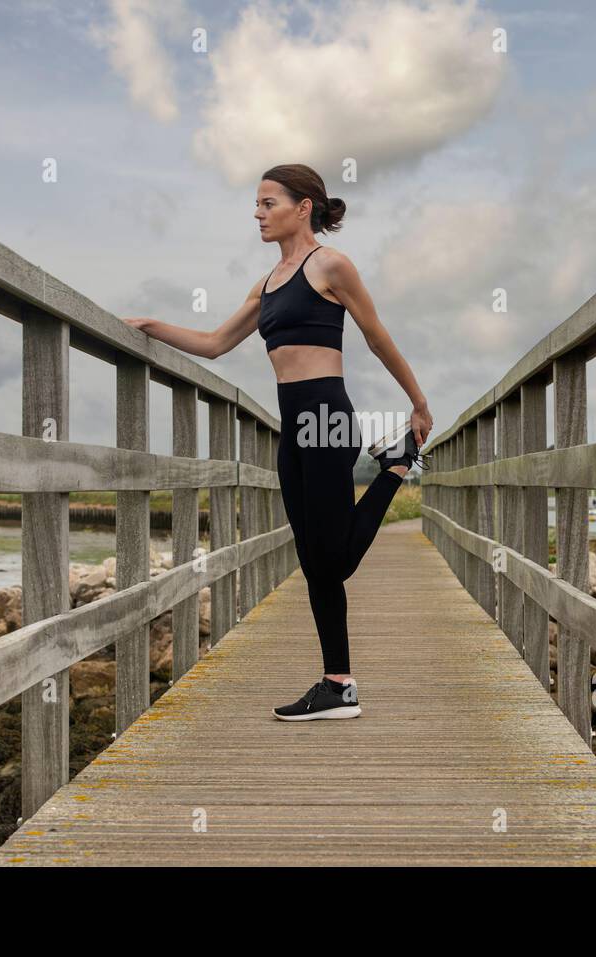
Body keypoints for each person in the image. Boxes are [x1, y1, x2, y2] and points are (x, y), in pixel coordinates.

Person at [122, 163, 432, 721]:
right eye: (257, 205)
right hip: (294, 426)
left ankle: (394, 469)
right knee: (315, 559)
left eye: (269, 203)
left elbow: (377, 335)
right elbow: (215, 343)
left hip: (327, 415)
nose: (258, 214)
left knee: (329, 561)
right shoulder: (265, 285)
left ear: (303, 207)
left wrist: (418, 402)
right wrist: (150, 326)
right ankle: (337, 684)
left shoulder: (330, 265)